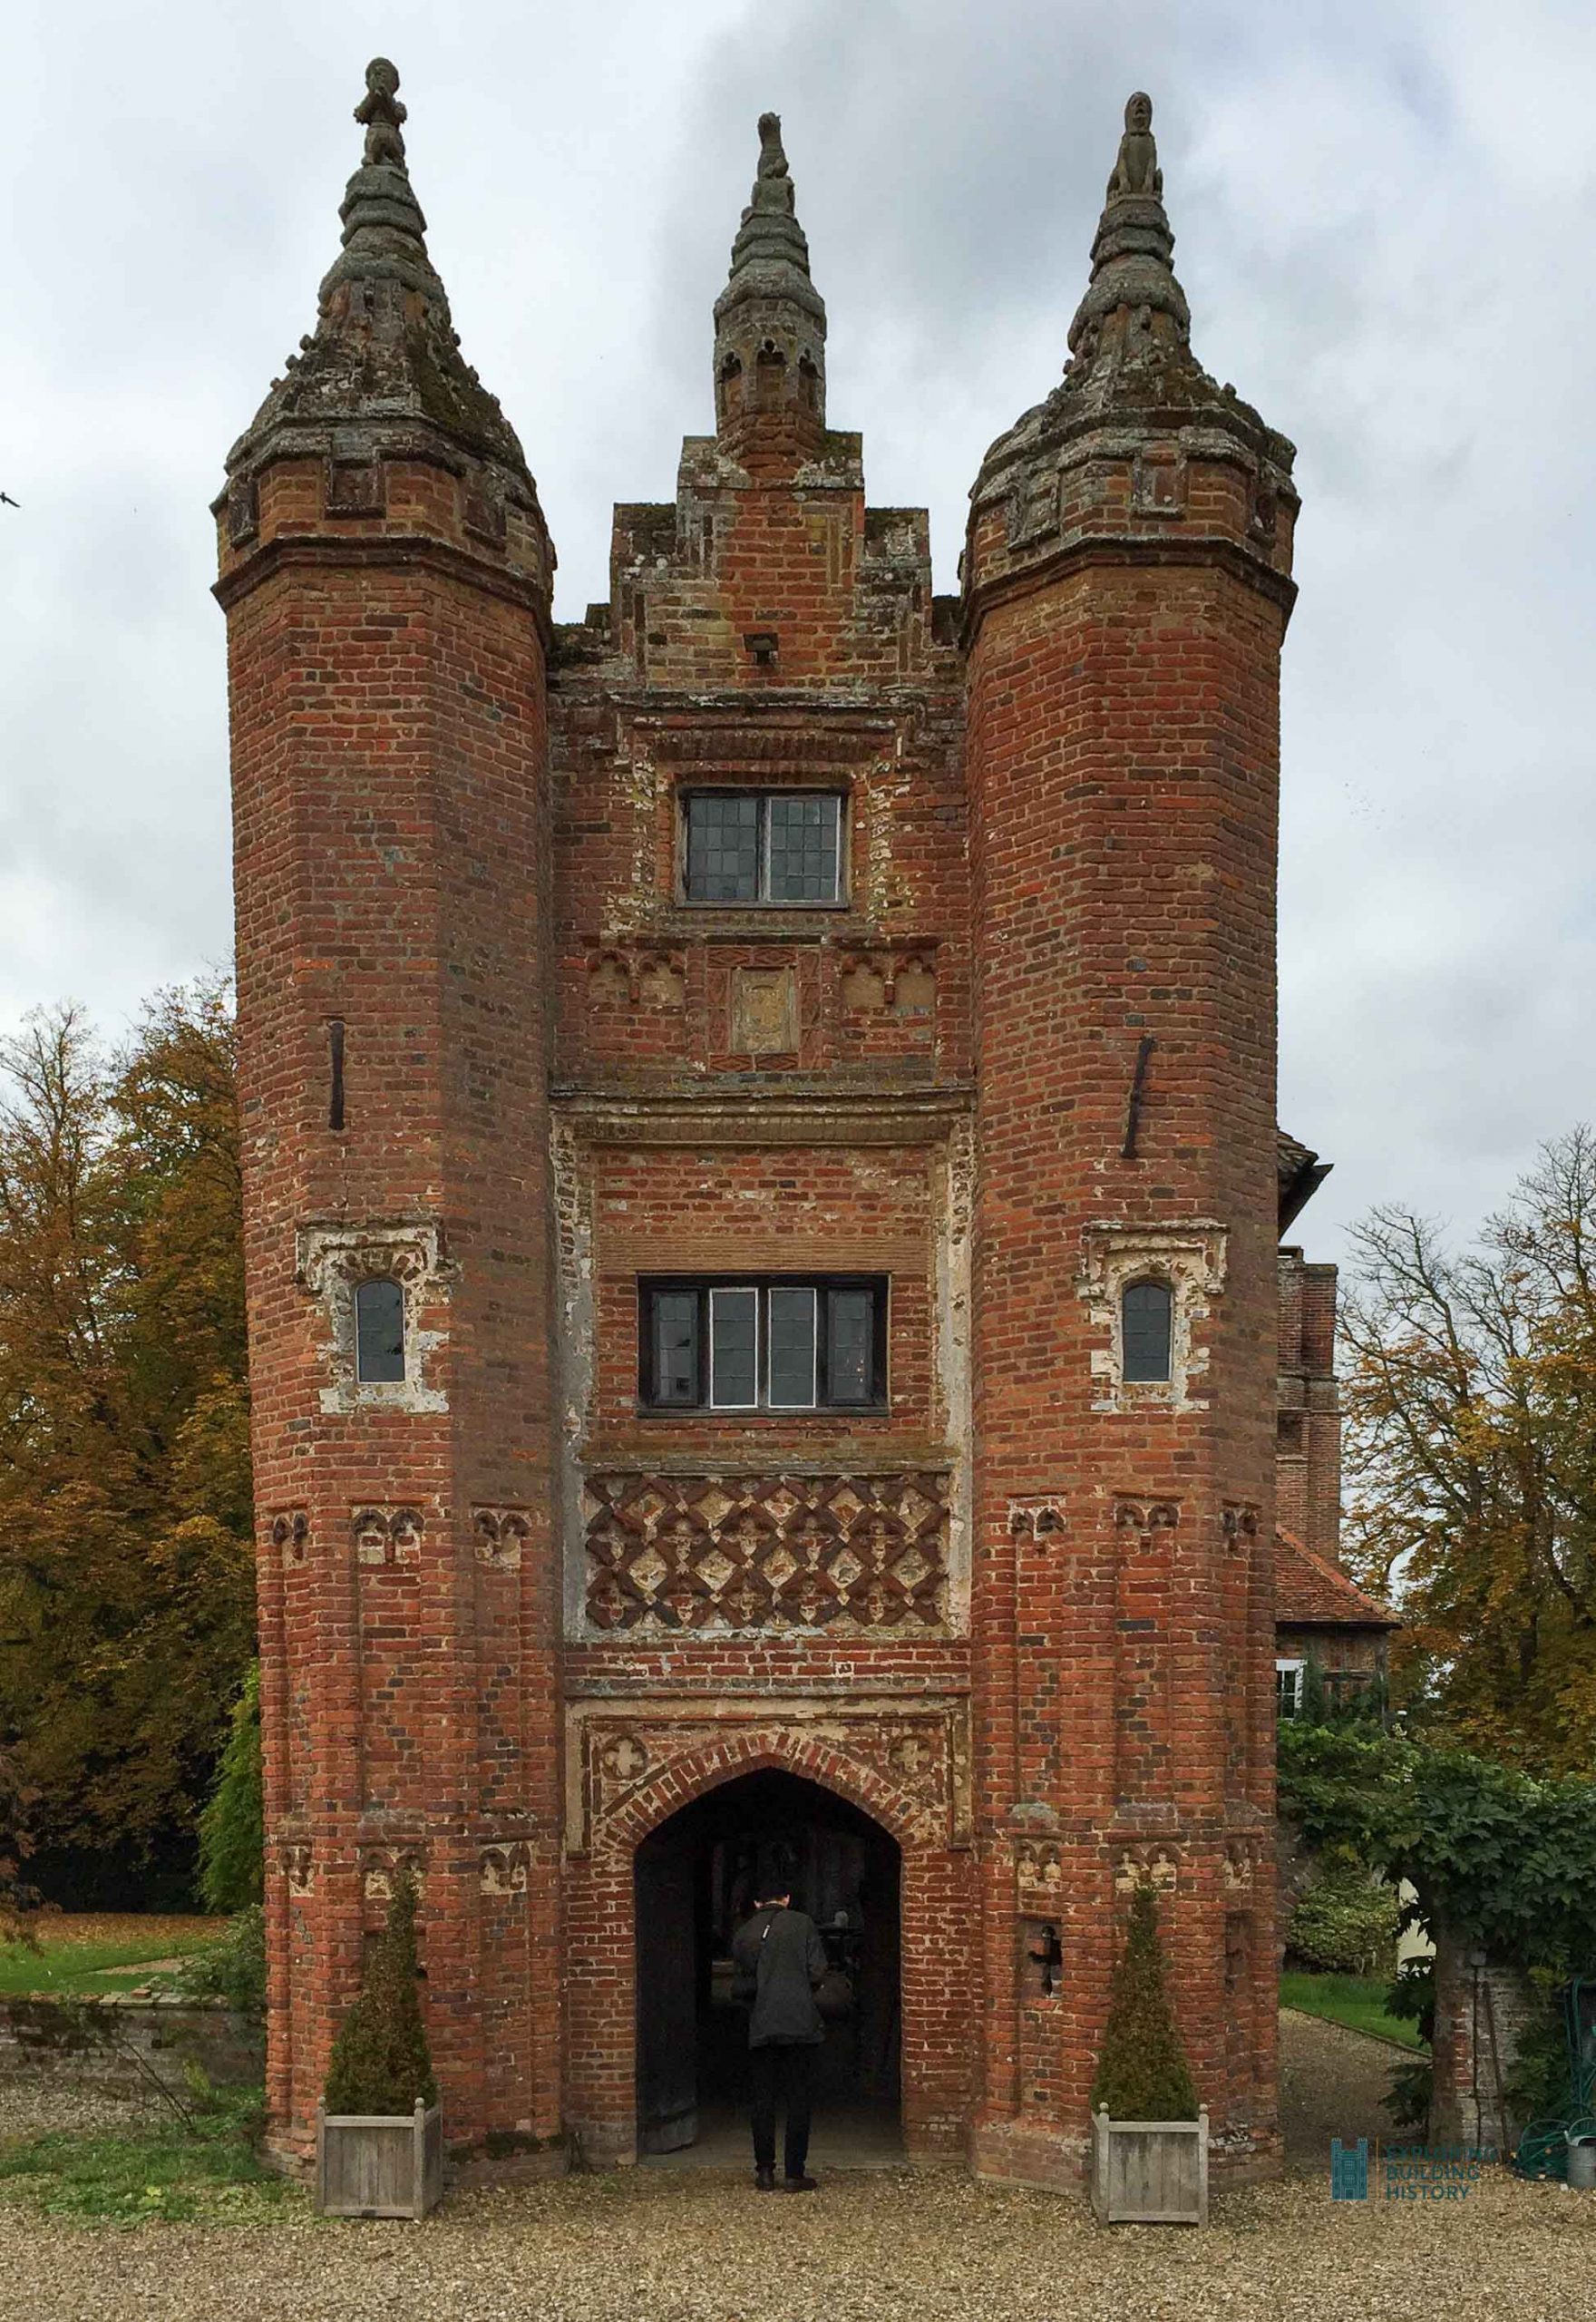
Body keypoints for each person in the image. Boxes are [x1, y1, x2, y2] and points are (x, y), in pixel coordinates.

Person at [731, 1882, 827, 2192]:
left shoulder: (745, 1932)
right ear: (787, 1897)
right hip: (800, 2023)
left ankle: (765, 2171)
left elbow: (742, 1984)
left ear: (757, 1902)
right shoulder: (803, 1924)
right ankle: (795, 2172)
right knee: (798, 2099)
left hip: (762, 2023)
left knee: (763, 2099)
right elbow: (817, 1971)